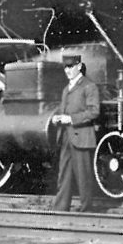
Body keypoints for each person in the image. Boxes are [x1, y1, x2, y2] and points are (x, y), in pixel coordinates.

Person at [51, 53, 101, 212]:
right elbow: (64, 110)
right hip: (66, 136)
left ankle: (86, 209)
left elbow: (94, 112)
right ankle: (60, 208)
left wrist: (71, 119)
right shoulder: (66, 89)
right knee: (64, 174)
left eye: (71, 67)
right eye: (65, 67)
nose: (68, 70)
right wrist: (57, 118)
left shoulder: (89, 86)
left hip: (81, 137)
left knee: (83, 176)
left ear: (79, 66)